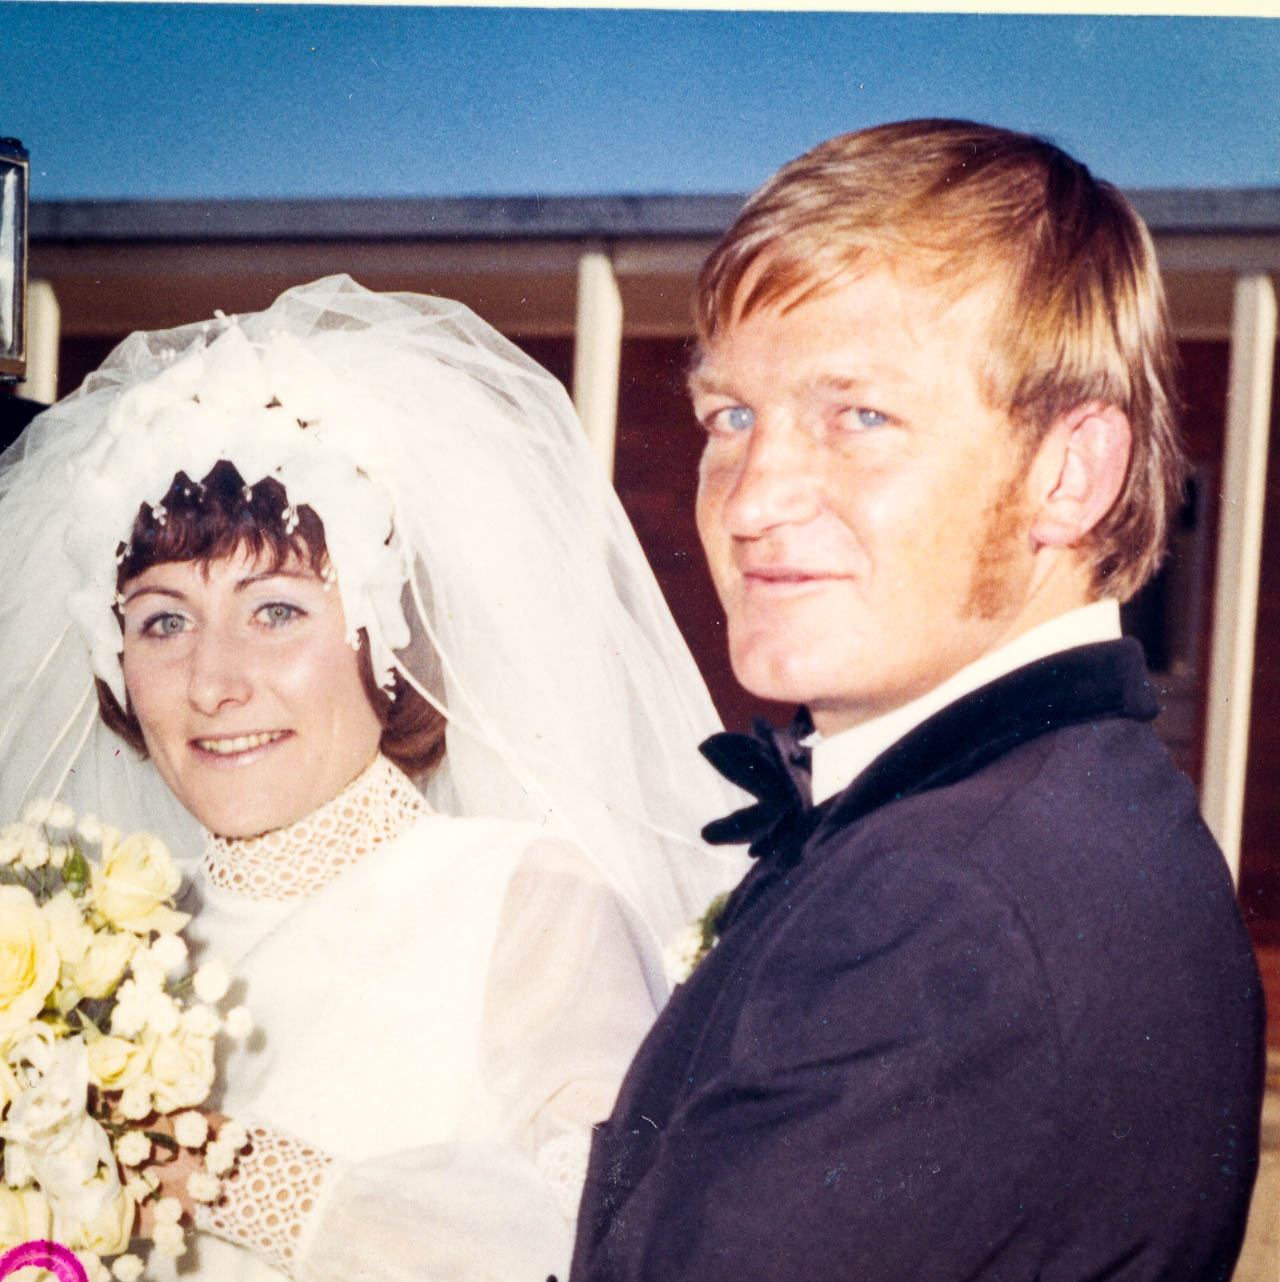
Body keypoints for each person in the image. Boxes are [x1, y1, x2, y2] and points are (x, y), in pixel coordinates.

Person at [571, 119, 1266, 1281]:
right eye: (728, 416)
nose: (748, 500)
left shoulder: (940, 905)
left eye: (859, 416)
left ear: (1067, 472)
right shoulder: (1076, 813)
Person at [0, 275, 746, 1281]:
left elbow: (612, 1238)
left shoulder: (524, 895)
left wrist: (221, 1172)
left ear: (384, 643)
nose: (214, 683)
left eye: (275, 612)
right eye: (163, 620)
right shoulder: (98, 950)